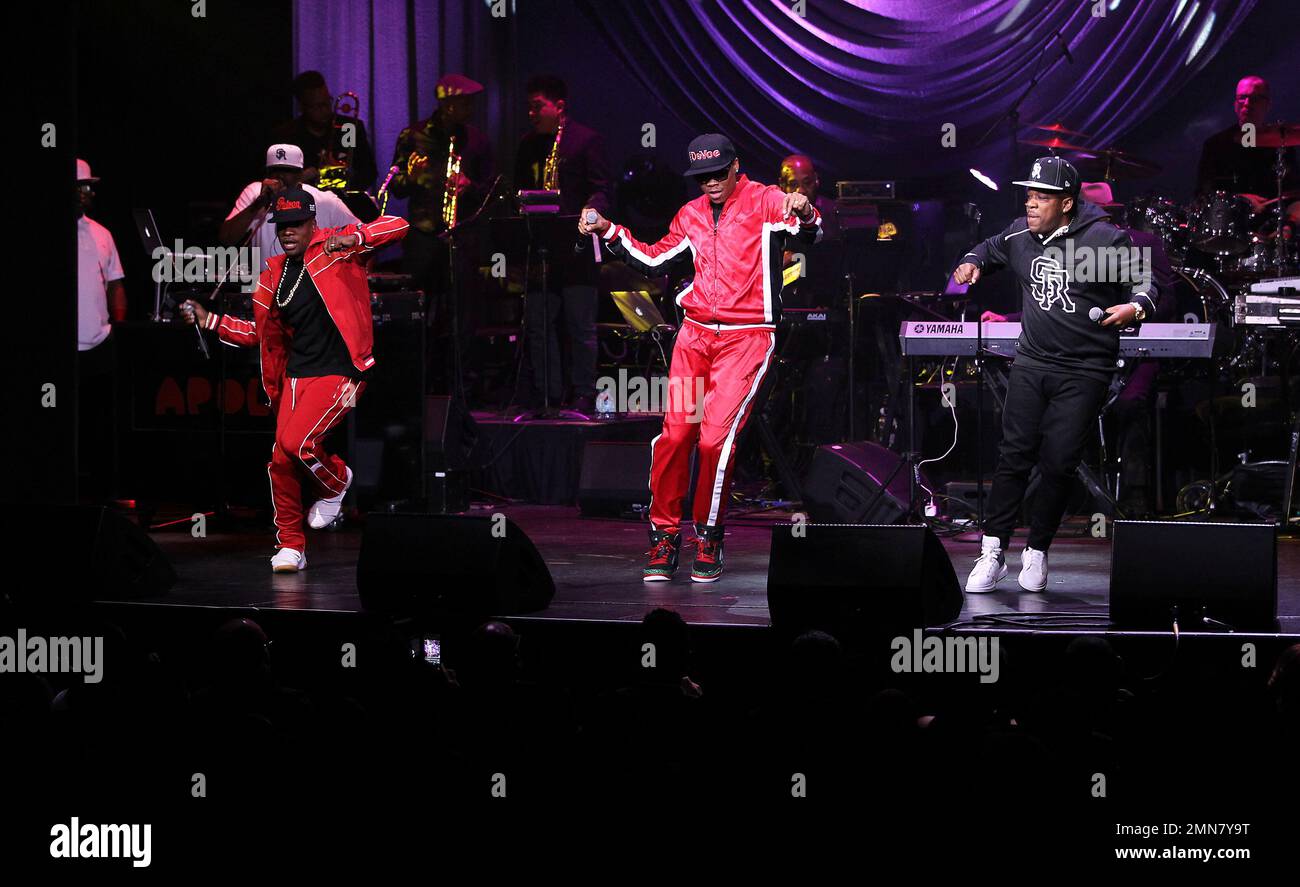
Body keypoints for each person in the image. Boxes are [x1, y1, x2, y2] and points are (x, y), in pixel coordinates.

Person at [579, 134, 822, 583]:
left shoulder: (766, 201)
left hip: (746, 338)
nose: (710, 182)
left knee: (714, 441)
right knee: (675, 437)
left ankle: (708, 535)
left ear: (735, 167)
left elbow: (810, 230)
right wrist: (609, 231)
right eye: (701, 176)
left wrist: (805, 210)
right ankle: (664, 537)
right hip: (694, 339)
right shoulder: (689, 214)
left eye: (718, 173)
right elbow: (654, 260)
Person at [953, 157, 1157, 593]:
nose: (1030, 203)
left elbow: (1143, 280)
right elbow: (987, 249)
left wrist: (1135, 306)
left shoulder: (1102, 240)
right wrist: (970, 263)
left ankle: (1037, 550)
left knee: (1059, 461)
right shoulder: (1021, 235)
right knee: (1013, 457)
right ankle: (992, 551)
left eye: (1041, 196)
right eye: (1028, 194)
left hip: (1085, 368)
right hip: (1032, 363)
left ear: (1066, 203)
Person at [183, 188, 409, 572]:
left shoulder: (335, 249)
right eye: (281, 226)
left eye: (295, 225)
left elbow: (397, 225)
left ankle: (336, 480)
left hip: (343, 371)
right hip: (295, 376)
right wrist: (211, 321)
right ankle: (291, 546)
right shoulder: (272, 273)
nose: (287, 232)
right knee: (280, 460)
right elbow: (258, 333)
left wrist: (355, 237)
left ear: (311, 223)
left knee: (297, 442)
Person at [982, 181, 1175, 517]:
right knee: (1038, 438)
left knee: (1130, 403)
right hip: (1076, 353)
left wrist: (1134, 309)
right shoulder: (1051, 242)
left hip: (1136, 349)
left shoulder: (1135, 242)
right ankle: (1053, 510)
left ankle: (1133, 495)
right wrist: (1009, 317)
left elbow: (1163, 296)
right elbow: (1061, 300)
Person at [389, 73, 495, 395]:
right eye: (465, 103)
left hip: (462, 236)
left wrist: (470, 187)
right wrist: (410, 176)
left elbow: (492, 191)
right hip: (423, 235)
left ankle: (459, 383)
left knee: (463, 314)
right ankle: (416, 379)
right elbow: (395, 187)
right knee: (420, 309)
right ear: (448, 105)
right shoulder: (414, 136)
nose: (471, 108)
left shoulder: (476, 140)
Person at [514, 74, 612, 412]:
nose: (531, 113)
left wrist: (592, 210)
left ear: (558, 106)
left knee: (580, 326)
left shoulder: (585, 140)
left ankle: (584, 392)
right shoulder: (527, 145)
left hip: (577, 246)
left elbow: (601, 188)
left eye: (537, 106)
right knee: (539, 327)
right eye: (528, 107)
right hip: (541, 246)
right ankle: (548, 394)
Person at [219, 144, 359, 282]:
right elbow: (226, 238)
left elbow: (361, 234)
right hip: (267, 287)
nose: (279, 176)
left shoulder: (324, 201)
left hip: (314, 287)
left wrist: (358, 277)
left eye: (287, 170)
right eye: (274, 170)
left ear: (300, 175)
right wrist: (259, 203)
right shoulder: (255, 194)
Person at [76, 159, 127, 499]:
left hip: (98, 344)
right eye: (81, 186)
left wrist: (118, 332)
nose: (87, 192)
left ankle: (101, 495)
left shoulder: (101, 233)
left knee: (98, 425)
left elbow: (116, 285)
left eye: (89, 187)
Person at [1196, 75, 1297, 205]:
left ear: (1268, 105)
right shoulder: (1215, 145)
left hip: (1270, 221)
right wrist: (1240, 199)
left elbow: (1293, 192)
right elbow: (1203, 194)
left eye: (1255, 98)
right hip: (1230, 220)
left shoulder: (1283, 144)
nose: (1247, 104)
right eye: (1242, 98)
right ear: (1235, 104)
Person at [271, 70, 378, 191]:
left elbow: (368, 172)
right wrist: (303, 177)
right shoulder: (287, 136)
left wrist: (342, 174)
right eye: (317, 106)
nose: (325, 110)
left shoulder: (347, 128)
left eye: (327, 102)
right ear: (302, 107)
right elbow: (276, 180)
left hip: (344, 203)